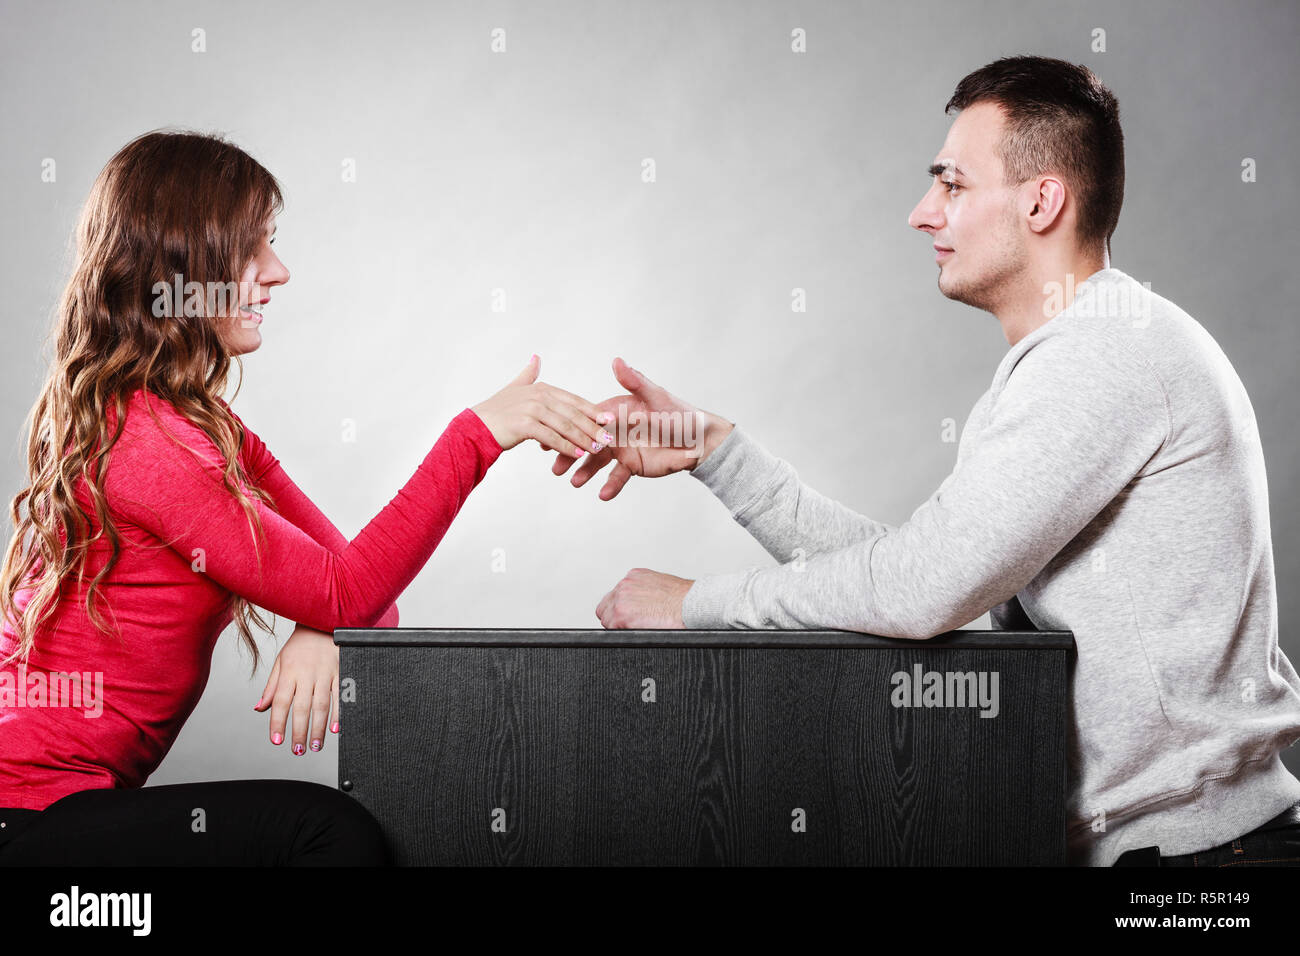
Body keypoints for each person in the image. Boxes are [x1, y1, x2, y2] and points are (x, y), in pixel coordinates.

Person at [564, 56, 1300, 867]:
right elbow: (918, 574)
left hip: (1198, 873)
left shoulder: (1104, 353)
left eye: (951, 184)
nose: (922, 213)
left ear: (1042, 199)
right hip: (1166, 856)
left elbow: (921, 589)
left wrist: (695, 604)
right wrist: (716, 454)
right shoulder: (1079, 352)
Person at [0, 130, 614, 865]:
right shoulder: (150, 443)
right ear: (184, 263)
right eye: (253, 246)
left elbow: (366, 601)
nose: (279, 271)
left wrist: (321, 622)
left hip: (68, 814)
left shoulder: (207, 430)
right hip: (25, 821)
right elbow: (351, 592)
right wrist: (476, 435)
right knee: (329, 834)